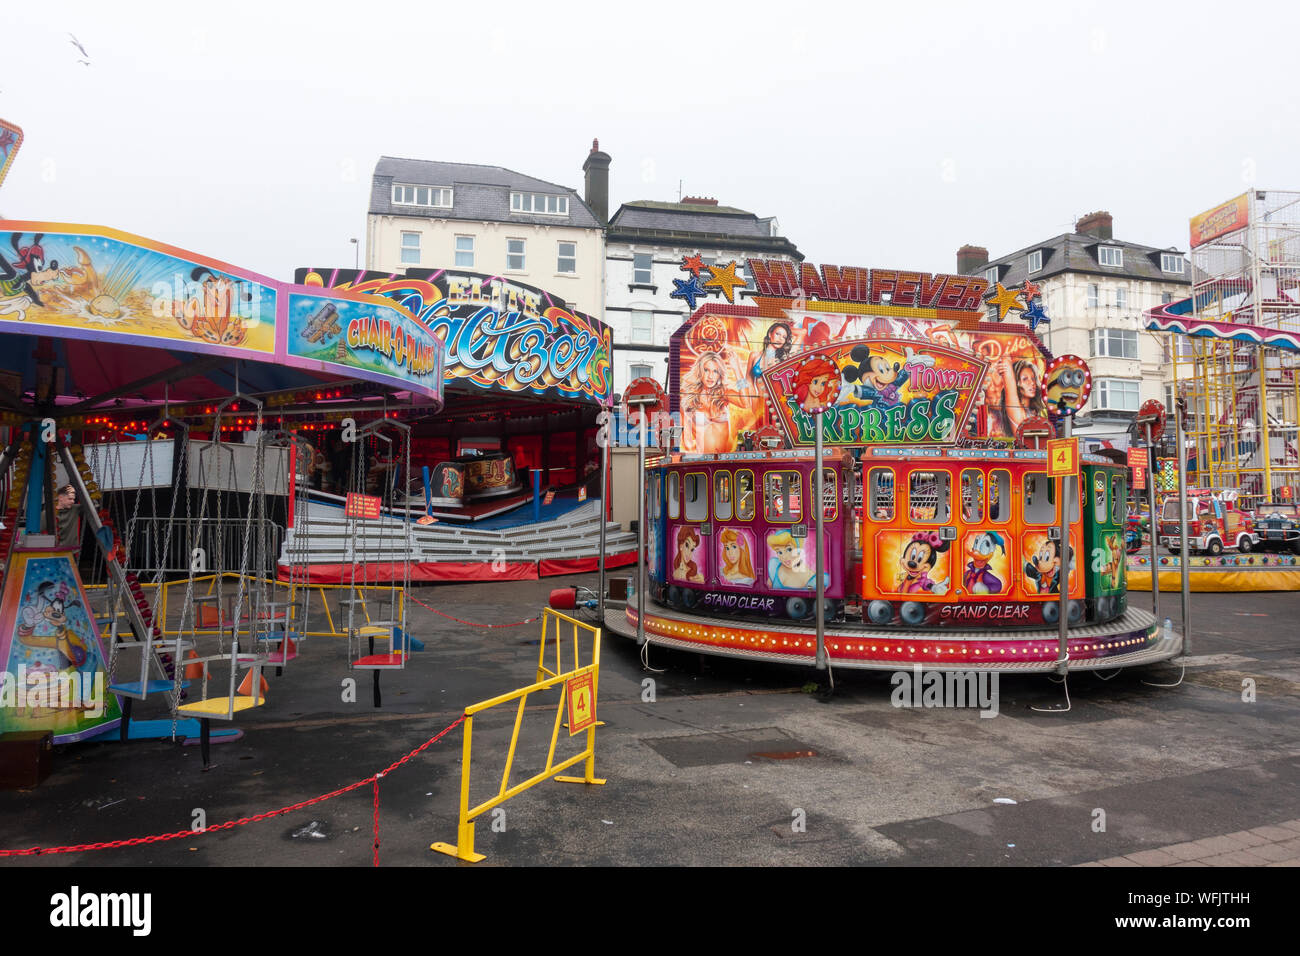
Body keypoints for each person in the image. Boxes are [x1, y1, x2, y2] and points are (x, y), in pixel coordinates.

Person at [681, 351, 746, 453]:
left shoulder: (723, 394)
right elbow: (685, 435)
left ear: (719, 374)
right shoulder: (689, 396)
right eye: (706, 370)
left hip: (723, 459)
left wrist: (737, 370)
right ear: (700, 371)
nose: (710, 376)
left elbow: (745, 402)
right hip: (701, 460)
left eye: (715, 371)